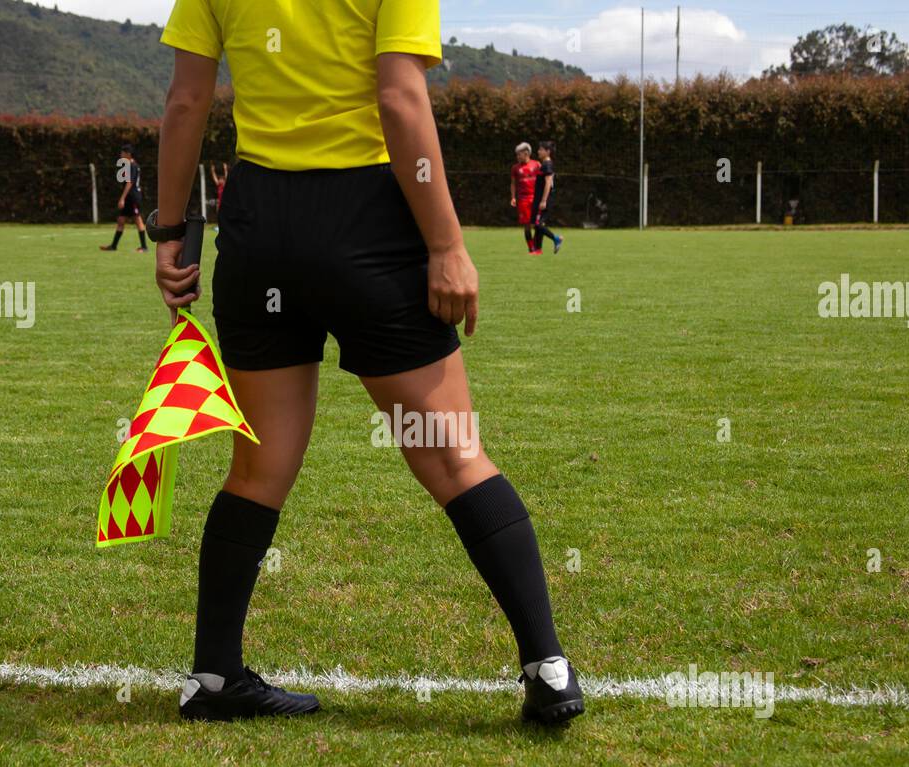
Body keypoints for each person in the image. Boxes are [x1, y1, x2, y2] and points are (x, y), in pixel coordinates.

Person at [150, 0, 584, 725]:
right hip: (366, 223)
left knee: (257, 469)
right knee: (454, 457)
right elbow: (398, 96)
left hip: (259, 229)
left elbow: (187, 99)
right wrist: (446, 245)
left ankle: (215, 676)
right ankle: (546, 667)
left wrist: (169, 230)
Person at [100, 144, 148, 252]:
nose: (121, 155)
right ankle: (113, 246)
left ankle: (144, 247)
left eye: (122, 153)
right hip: (129, 197)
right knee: (121, 220)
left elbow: (129, 183)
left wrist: (122, 198)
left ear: (128, 154)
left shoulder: (131, 166)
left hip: (133, 197)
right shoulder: (130, 165)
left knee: (138, 220)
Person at [531, 141, 562, 255]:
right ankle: (538, 249)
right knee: (537, 224)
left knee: (538, 224)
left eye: (541, 149)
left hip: (544, 199)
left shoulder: (547, 165)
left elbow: (548, 182)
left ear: (547, 152)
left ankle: (556, 238)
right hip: (540, 198)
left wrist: (544, 200)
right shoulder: (543, 164)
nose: (538, 151)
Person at [509, 142, 540, 254]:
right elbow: (513, 183)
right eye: (517, 155)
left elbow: (543, 180)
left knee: (537, 224)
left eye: (519, 154)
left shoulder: (536, 165)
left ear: (526, 153)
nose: (517, 157)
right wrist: (513, 197)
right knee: (527, 225)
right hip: (523, 200)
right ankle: (531, 248)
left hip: (535, 198)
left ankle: (537, 247)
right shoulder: (515, 168)